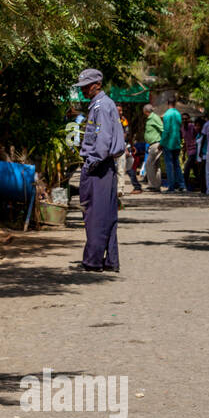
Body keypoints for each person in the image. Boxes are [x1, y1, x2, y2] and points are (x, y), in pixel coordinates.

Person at [74, 68, 124, 272]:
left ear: (96, 85)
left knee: (95, 215)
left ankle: (93, 261)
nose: (83, 91)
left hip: (98, 166)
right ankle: (110, 260)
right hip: (104, 166)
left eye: (86, 86)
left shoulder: (101, 107)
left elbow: (102, 140)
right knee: (107, 215)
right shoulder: (102, 104)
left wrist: (91, 163)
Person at [159, 97, 184, 191]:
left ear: (167, 103)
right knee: (177, 164)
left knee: (169, 165)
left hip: (168, 143)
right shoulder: (178, 114)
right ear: (175, 104)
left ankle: (171, 187)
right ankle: (181, 185)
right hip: (177, 142)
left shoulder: (167, 115)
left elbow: (166, 131)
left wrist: (161, 143)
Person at [120, 106, 142, 193]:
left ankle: (137, 187)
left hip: (124, 146)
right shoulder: (111, 119)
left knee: (129, 167)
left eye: (121, 110)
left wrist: (129, 146)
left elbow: (127, 134)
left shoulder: (124, 120)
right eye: (119, 110)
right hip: (118, 147)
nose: (121, 112)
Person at [143, 103, 163, 191]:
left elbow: (163, 129)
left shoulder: (155, 118)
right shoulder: (150, 118)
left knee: (149, 164)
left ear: (146, 111)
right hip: (152, 144)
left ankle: (152, 185)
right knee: (155, 166)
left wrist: (162, 143)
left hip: (156, 144)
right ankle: (157, 185)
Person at [182, 112, 202, 191]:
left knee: (186, 169)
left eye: (186, 119)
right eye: (183, 119)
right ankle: (201, 186)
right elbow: (185, 141)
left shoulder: (192, 126)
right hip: (188, 151)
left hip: (194, 151)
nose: (184, 120)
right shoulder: (182, 128)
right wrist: (183, 154)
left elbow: (199, 136)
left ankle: (185, 186)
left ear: (189, 119)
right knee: (195, 171)